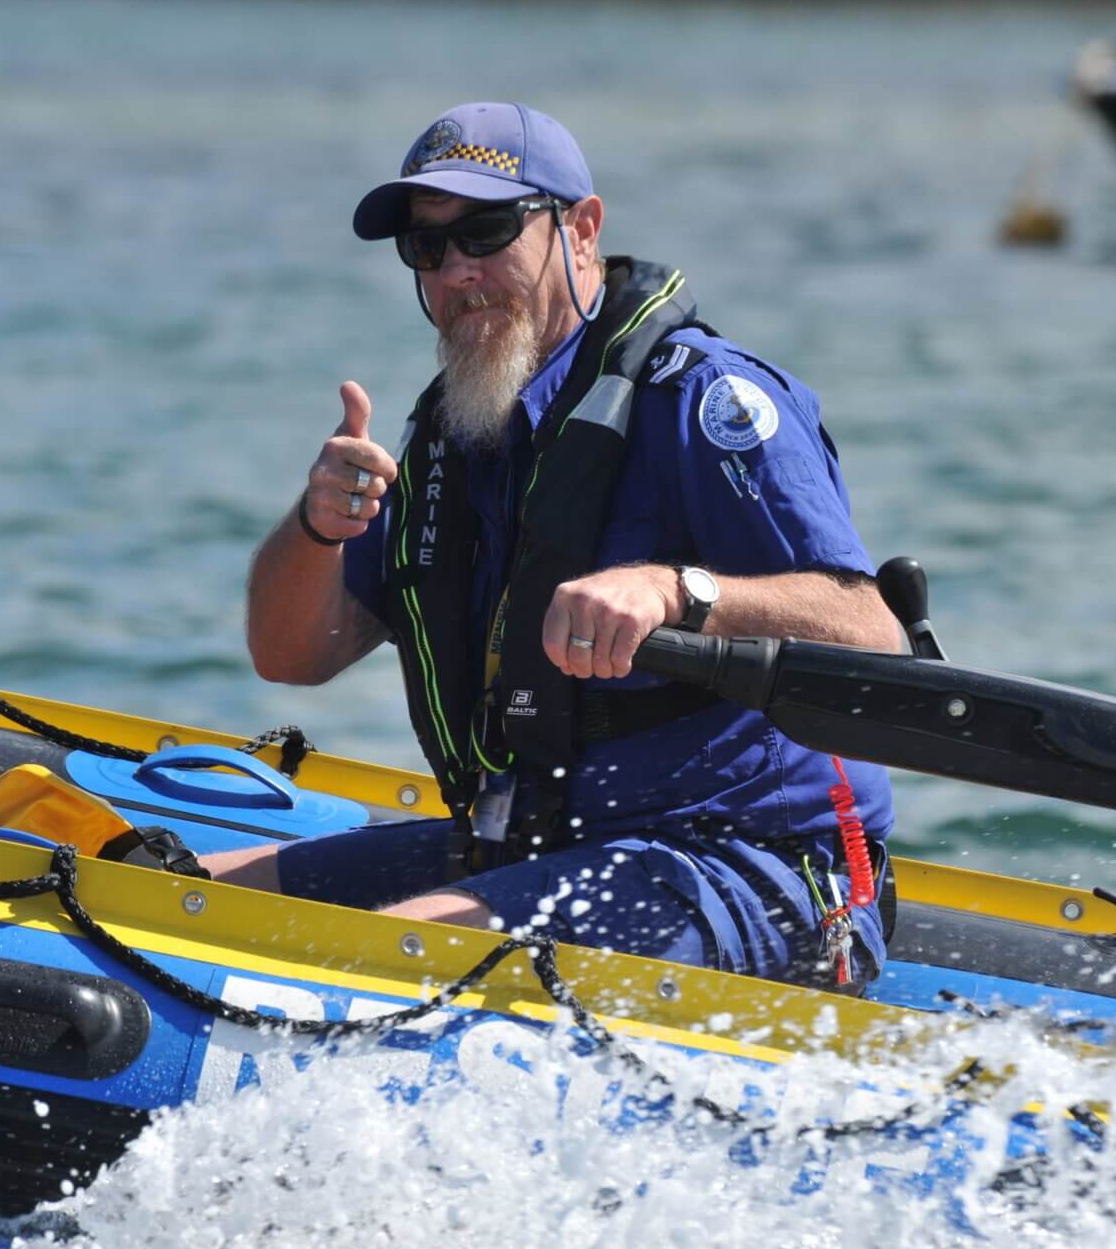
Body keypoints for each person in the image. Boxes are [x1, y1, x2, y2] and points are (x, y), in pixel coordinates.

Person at [209, 102, 902, 987]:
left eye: (488, 231)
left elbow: (872, 632)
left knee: (392, 959)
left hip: (746, 871)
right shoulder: (452, 435)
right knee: (175, 891)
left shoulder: (706, 404)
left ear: (582, 230)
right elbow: (290, 656)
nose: (458, 271)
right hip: (534, 840)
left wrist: (679, 591)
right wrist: (317, 529)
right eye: (429, 249)